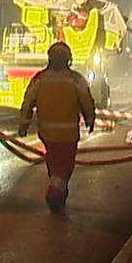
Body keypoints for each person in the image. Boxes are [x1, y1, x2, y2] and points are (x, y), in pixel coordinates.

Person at [18, 41, 96, 213]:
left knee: (53, 165)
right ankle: (55, 194)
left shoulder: (39, 79)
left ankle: (58, 192)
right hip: (68, 135)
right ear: (68, 60)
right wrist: (90, 119)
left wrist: (23, 124)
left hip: (47, 134)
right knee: (65, 167)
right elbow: (86, 101)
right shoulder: (75, 79)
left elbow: (28, 102)